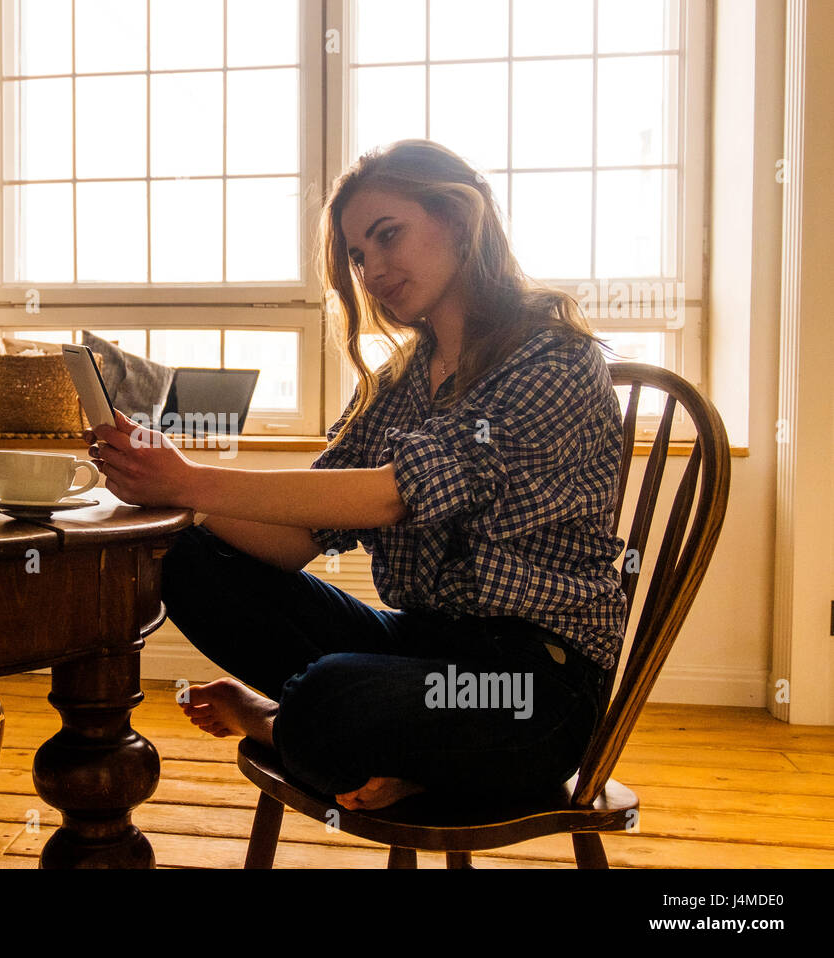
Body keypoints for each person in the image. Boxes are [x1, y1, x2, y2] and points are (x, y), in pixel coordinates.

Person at [82, 139, 628, 811]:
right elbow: (301, 534)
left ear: (458, 221)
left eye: (387, 236)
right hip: (421, 649)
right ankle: (383, 743)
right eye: (358, 256)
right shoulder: (401, 381)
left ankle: (283, 720)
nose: (370, 272)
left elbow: (395, 495)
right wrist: (170, 492)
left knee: (327, 698)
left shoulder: (553, 360)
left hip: (533, 688)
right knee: (190, 562)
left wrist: (190, 481)